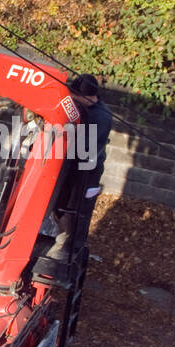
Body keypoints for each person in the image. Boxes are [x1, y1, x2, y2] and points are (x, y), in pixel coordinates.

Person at [43, 74, 113, 265]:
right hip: (72, 166)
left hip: (85, 173)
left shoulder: (100, 118)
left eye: (76, 97)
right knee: (61, 204)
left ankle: (69, 250)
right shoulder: (83, 109)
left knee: (75, 210)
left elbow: (85, 152)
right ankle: (61, 238)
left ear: (90, 98)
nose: (72, 100)